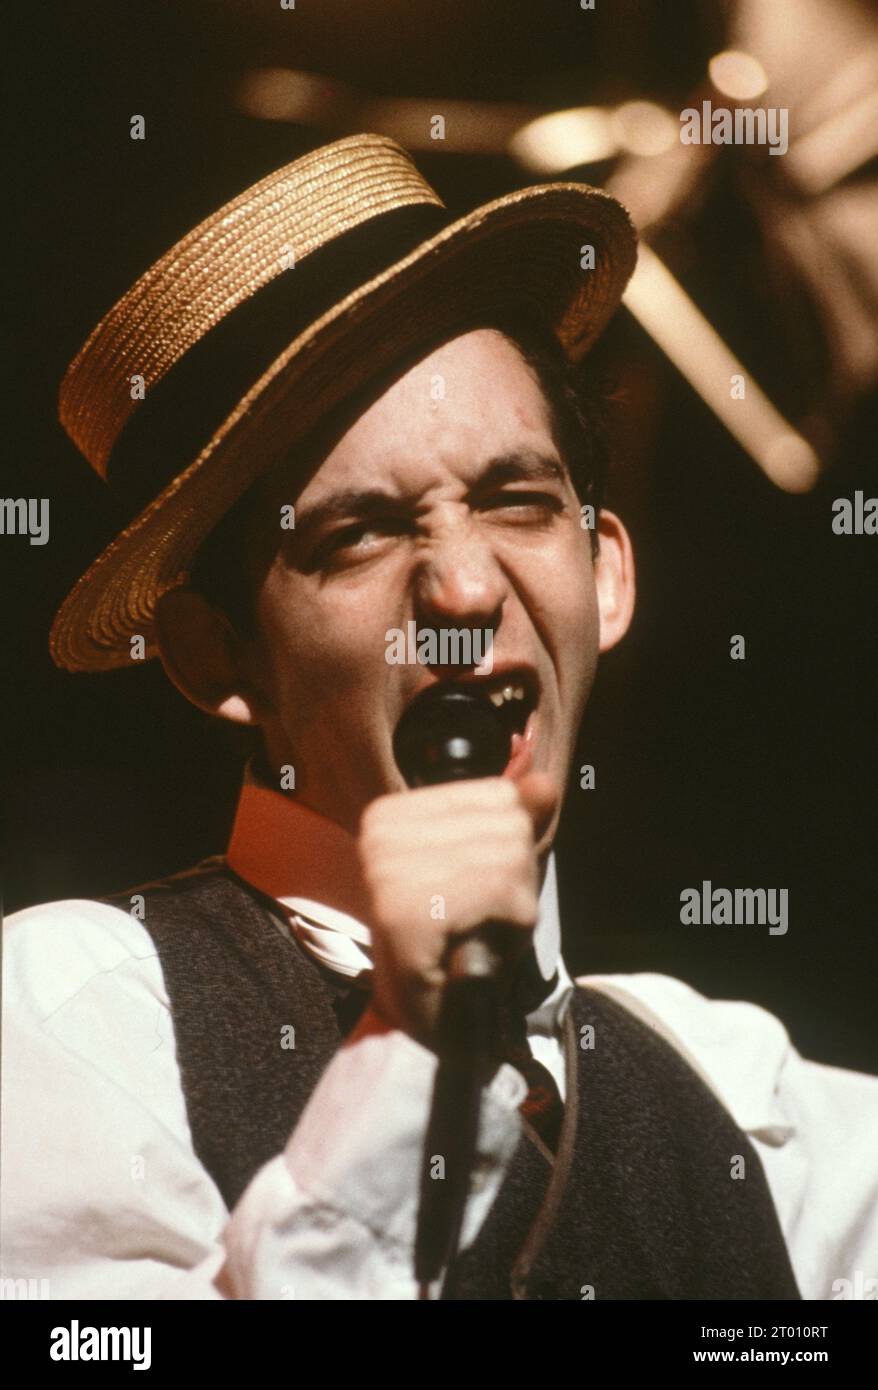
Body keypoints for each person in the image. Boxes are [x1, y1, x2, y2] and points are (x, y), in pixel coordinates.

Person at [2, 133, 875, 1302]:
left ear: (604, 574)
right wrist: (416, 1053)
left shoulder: (747, 1099)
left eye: (516, 502)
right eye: (356, 533)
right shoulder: (76, 1016)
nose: (463, 593)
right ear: (215, 652)